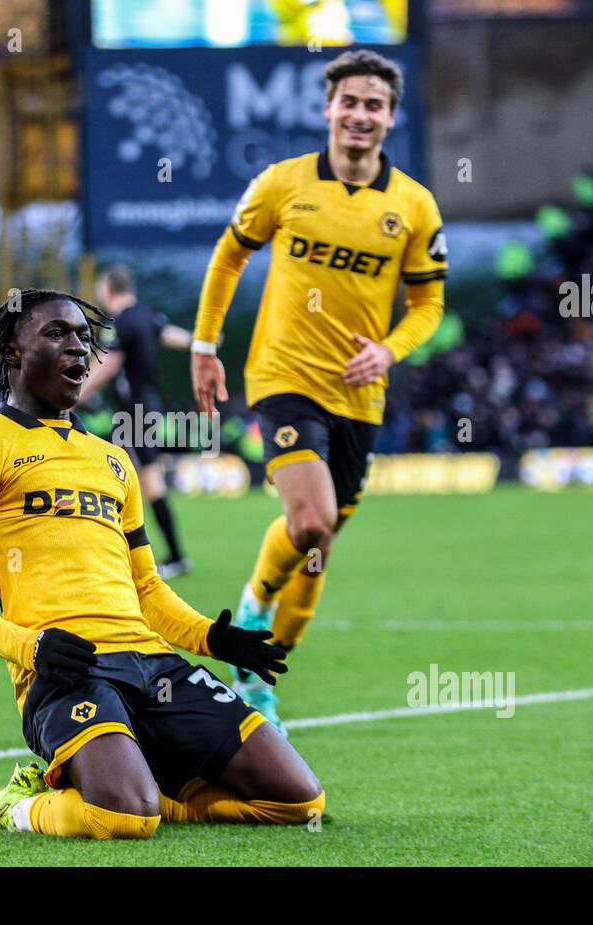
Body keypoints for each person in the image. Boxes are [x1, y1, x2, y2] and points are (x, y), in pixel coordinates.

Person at [0, 289, 324, 839]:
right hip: (68, 669)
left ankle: (158, 797)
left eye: (84, 337)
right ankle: (20, 805)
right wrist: (29, 648)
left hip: (151, 663)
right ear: (13, 352)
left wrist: (212, 638)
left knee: (300, 802)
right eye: (56, 334)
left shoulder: (113, 460)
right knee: (124, 819)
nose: (78, 347)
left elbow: (146, 588)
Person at [190, 49, 446, 732]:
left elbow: (428, 304)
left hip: (360, 395)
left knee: (318, 545)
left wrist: (389, 349)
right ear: (328, 108)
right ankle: (253, 602)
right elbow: (229, 255)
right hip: (284, 376)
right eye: (350, 101)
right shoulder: (282, 184)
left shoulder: (414, 205)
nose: (360, 114)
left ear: (391, 117)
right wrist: (204, 346)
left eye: (374, 105)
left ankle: (260, 680)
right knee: (310, 521)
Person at [81, 264, 193, 578]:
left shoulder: (119, 322)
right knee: (131, 479)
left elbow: (108, 365)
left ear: (108, 288)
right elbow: (169, 335)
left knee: (141, 480)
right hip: (146, 409)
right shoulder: (145, 315)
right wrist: (199, 342)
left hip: (133, 413)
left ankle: (171, 557)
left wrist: (73, 394)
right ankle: (147, 554)